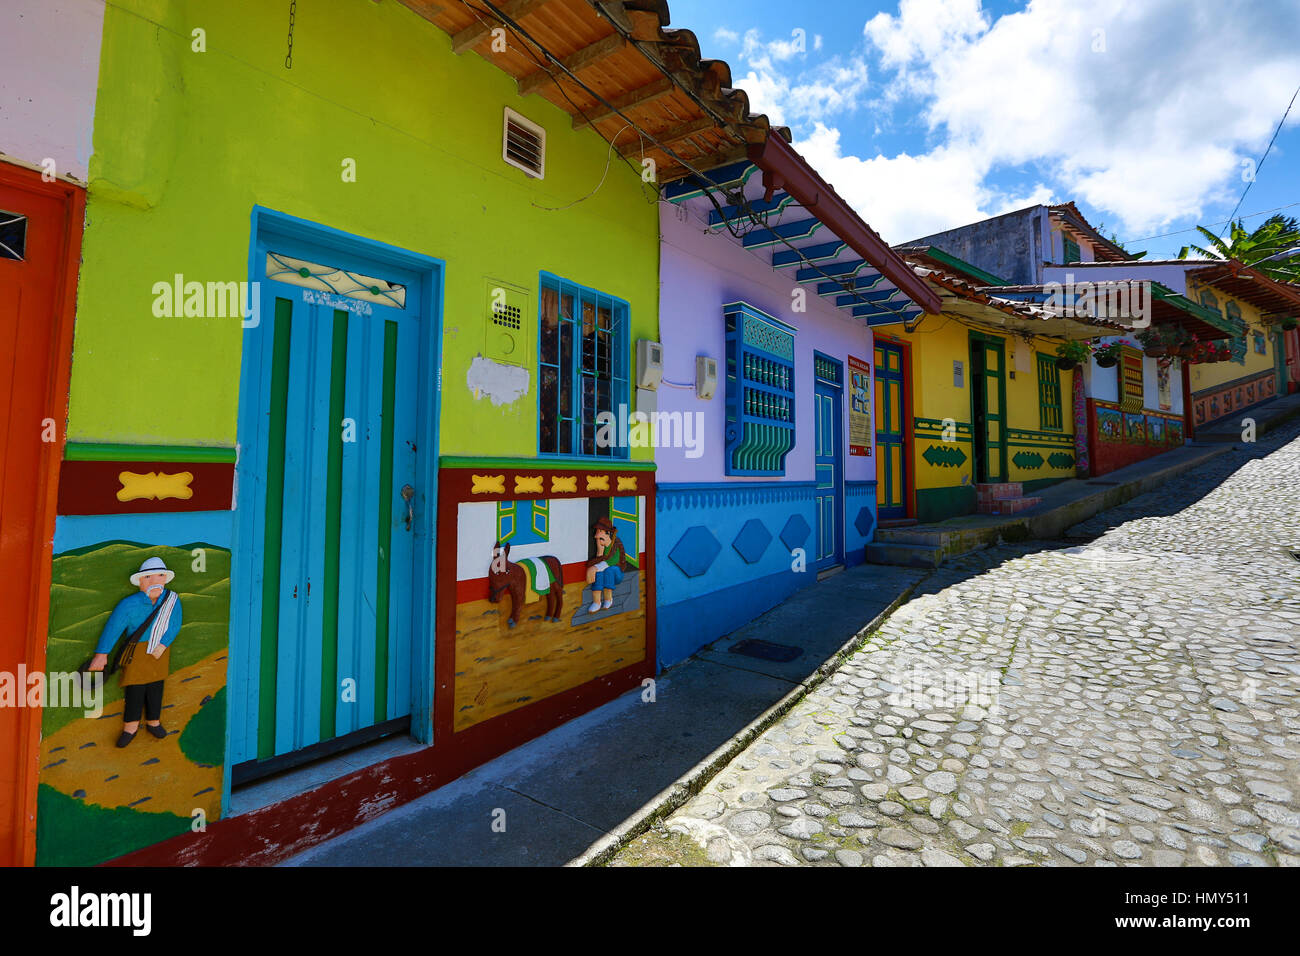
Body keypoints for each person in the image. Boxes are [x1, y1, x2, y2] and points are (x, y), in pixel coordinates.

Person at [87, 557, 183, 747]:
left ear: (166, 579)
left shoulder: (172, 601)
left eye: (160, 576)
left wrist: (163, 644)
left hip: (159, 652)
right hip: (137, 652)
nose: (155, 581)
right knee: (135, 690)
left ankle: (153, 722)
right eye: (148, 577)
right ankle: (130, 727)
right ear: (140, 581)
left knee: (156, 686)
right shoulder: (128, 604)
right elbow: (113, 628)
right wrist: (102, 654)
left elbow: (174, 624)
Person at [586, 516, 628, 613]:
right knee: (599, 573)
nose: (597, 534)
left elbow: (613, 561)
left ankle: (608, 599)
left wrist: (594, 568)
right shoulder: (601, 542)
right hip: (605, 572)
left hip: (617, 574)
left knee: (608, 570)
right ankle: (597, 602)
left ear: (607, 533)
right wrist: (600, 549)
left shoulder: (616, 543)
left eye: (600, 530)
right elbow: (599, 559)